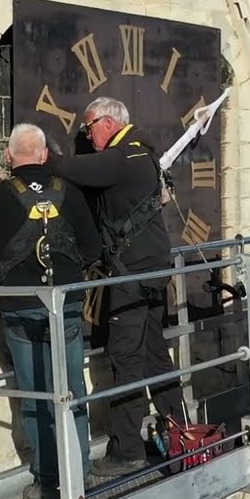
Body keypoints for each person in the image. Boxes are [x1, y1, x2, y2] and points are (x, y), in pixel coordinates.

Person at [49, 96, 185, 476]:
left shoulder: (125, 156)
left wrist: (45, 160)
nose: (87, 134)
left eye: (89, 126)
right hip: (149, 271)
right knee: (156, 356)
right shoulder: (142, 152)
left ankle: (127, 451)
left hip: (132, 274)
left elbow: (82, 169)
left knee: (126, 359)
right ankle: (180, 433)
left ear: (108, 123)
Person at [0, 123, 101, 499]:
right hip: (67, 305)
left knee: (35, 393)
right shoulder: (69, 191)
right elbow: (92, 248)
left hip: (22, 308)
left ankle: (47, 481)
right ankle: (80, 473)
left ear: (9, 156)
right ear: (44, 155)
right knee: (72, 388)